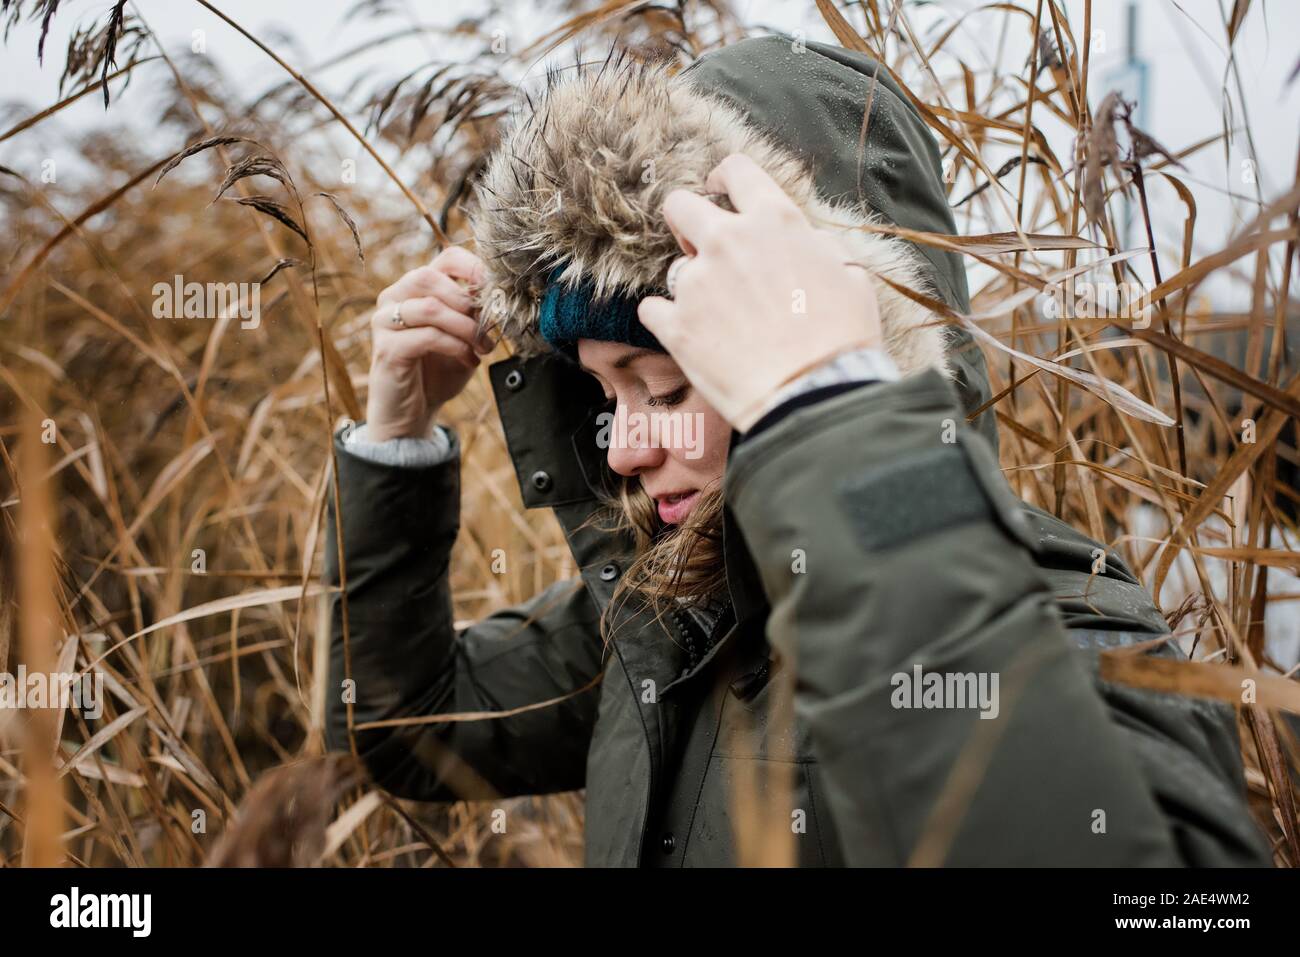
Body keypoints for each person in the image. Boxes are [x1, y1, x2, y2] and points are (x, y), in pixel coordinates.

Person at [323, 36, 1271, 866]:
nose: (620, 451)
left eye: (668, 384)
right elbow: (413, 724)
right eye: (605, 394)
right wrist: (395, 431)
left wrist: (831, 413)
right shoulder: (661, 616)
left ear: (854, 338)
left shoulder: (1063, 614)